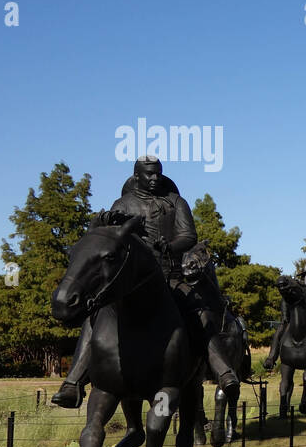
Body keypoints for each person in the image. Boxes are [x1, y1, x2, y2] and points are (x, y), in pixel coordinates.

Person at [51, 155, 239, 407]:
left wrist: (170, 246)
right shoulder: (122, 203)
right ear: (136, 175)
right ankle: (72, 383)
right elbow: (110, 240)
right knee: (95, 315)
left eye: (158, 173)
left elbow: (189, 236)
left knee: (197, 313)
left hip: (170, 275)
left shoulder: (176, 203)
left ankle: (222, 369)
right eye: (149, 174)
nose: (154, 178)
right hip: (131, 280)